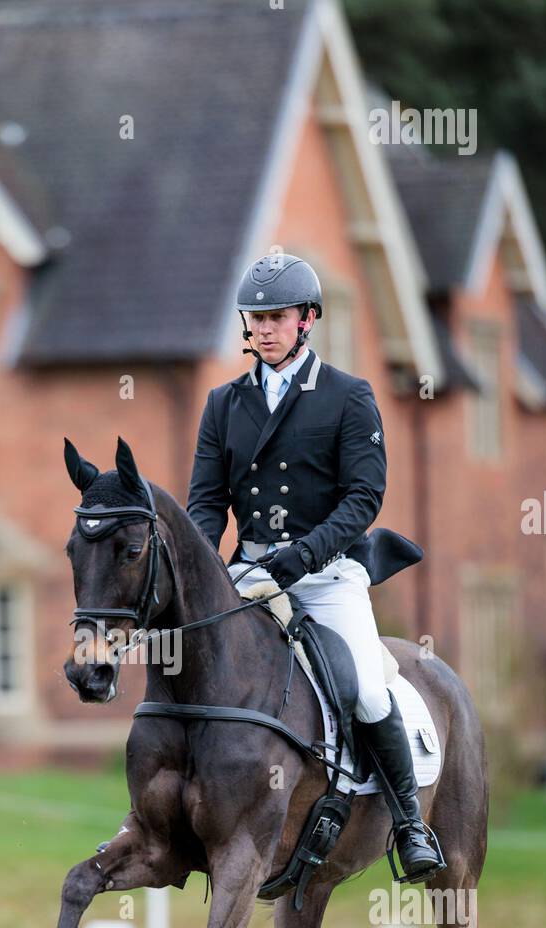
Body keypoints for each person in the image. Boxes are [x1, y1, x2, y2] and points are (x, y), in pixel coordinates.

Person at [186, 252, 444, 883]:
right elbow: (203, 504)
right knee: (200, 671)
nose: (265, 328)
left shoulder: (348, 396)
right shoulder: (223, 404)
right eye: (256, 318)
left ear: (306, 320)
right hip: (249, 575)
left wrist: (302, 555)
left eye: (277, 317)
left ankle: (410, 822)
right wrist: (202, 580)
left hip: (326, 576)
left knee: (364, 686)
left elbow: (363, 499)